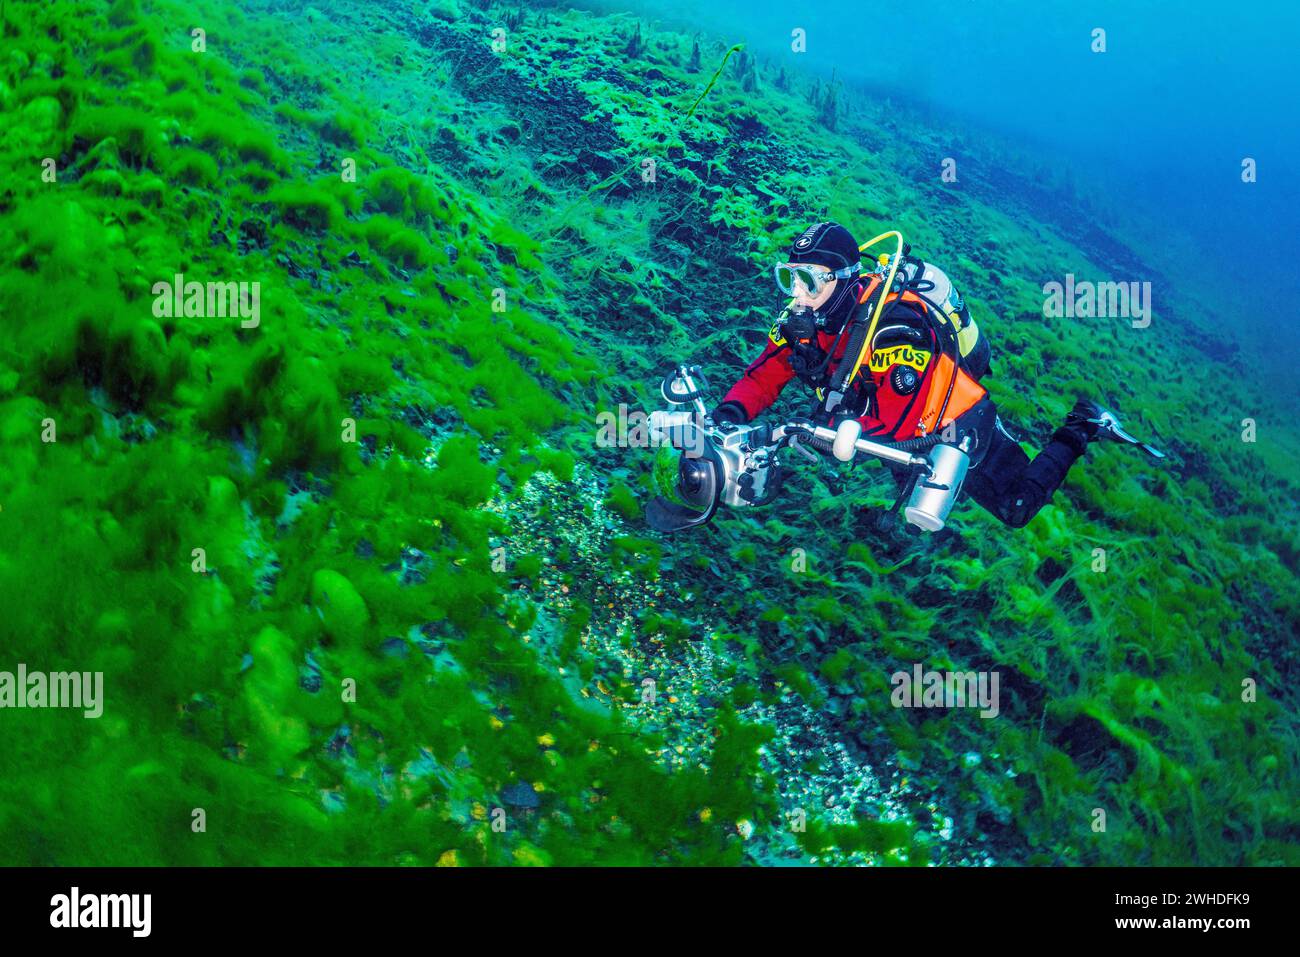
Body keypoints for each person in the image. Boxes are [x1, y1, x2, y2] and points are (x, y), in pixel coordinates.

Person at [710, 221, 1139, 529]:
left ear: (843, 281)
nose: (797, 295)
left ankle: (1082, 426)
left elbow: (897, 424)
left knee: (1015, 509)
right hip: (876, 409)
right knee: (905, 483)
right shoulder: (803, 318)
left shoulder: (895, 328)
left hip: (954, 420)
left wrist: (807, 432)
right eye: (790, 279)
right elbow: (765, 375)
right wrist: (729, 415)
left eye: (809, 281)